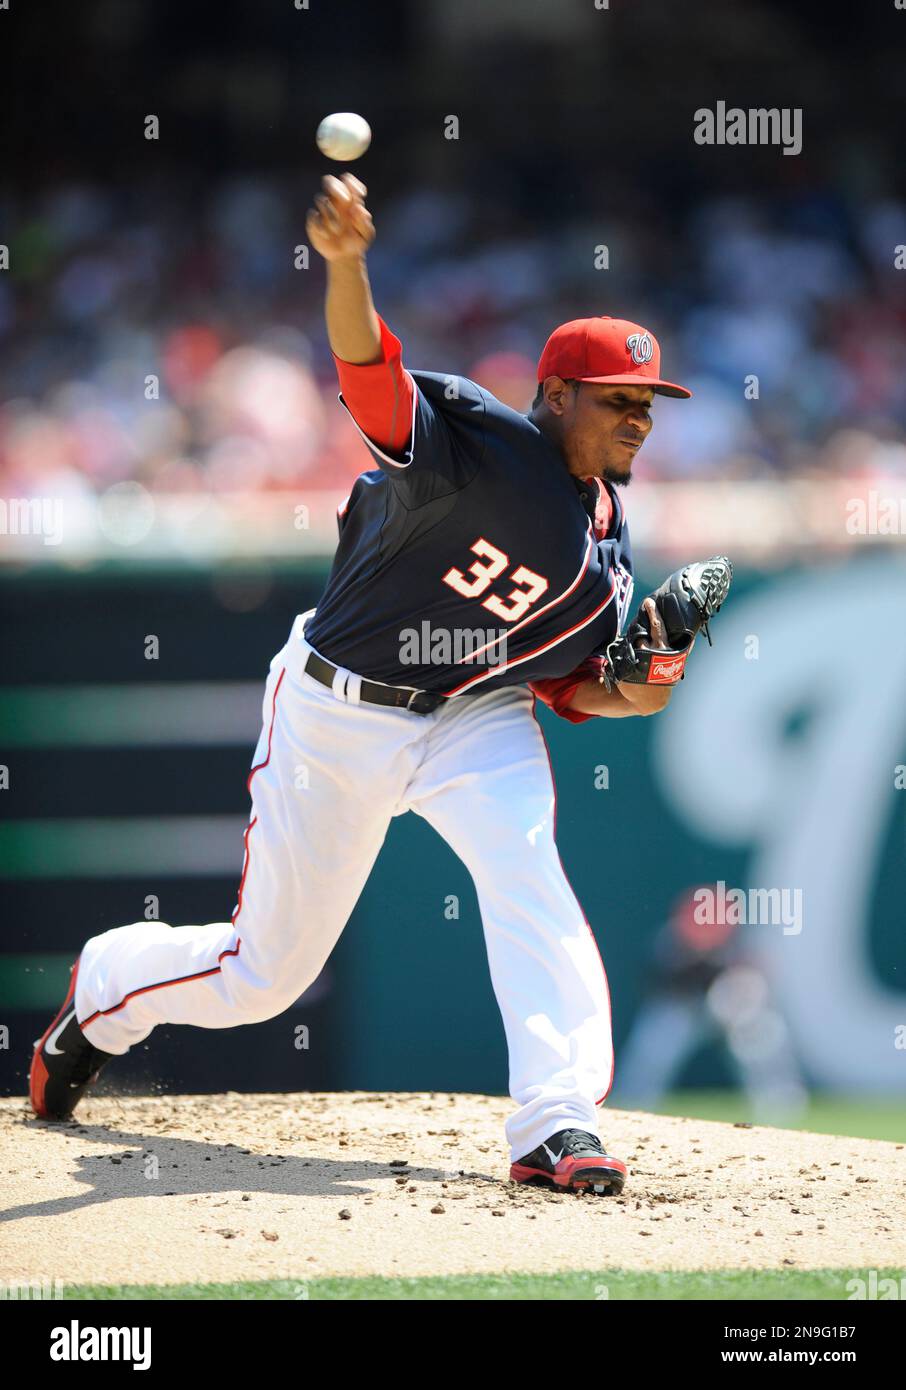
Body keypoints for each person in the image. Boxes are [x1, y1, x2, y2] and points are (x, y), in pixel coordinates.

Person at [30, 174, 696, 1197]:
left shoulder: (606, 548)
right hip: (340, 707)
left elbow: (582, 690)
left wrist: (649, 675)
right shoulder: (475, 445)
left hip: (473, 714)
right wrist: (346, 265)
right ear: (556, 393)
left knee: (528, 875)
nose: (639, 421)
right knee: (266, 976)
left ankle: (556, 1122)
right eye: (618, 400)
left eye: (648, 404)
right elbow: (368, 372)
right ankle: (106, 986)